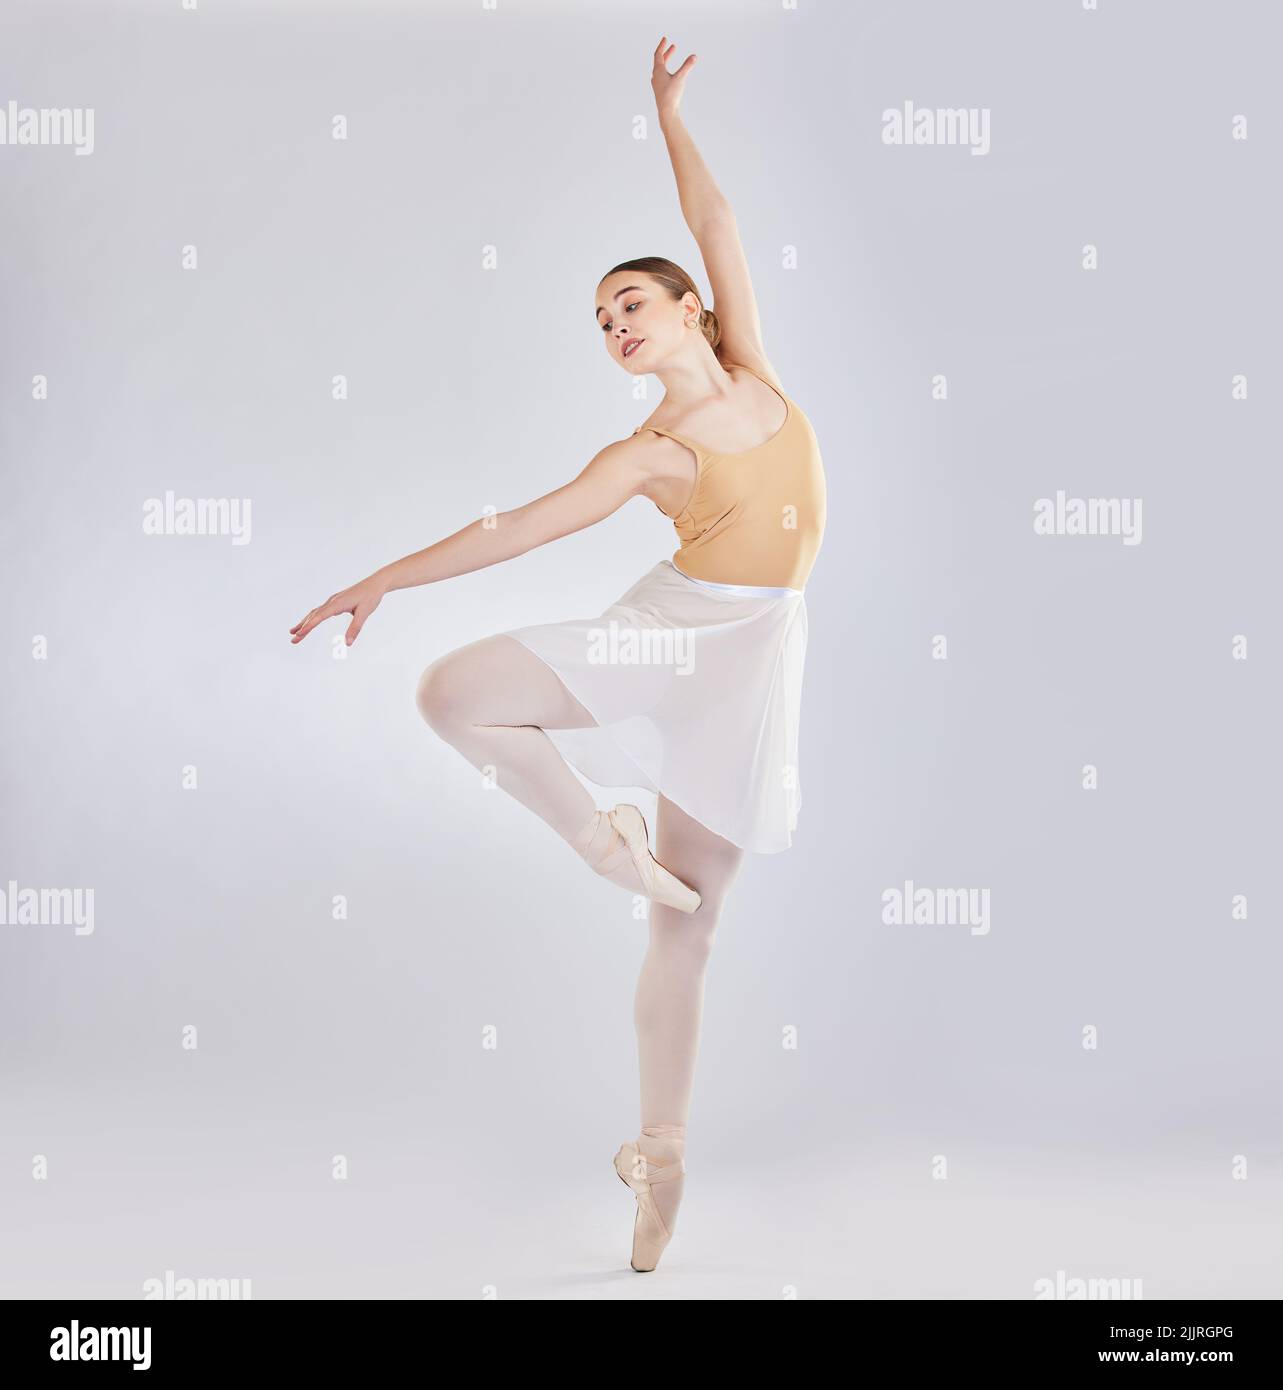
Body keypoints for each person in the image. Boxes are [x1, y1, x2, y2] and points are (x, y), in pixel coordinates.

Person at [289, 36, 826, 1273]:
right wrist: (379, 577)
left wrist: (666, 116)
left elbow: (717, 217)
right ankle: (601, 842)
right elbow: (512, 528)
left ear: (688, 304)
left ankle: (661, 1155)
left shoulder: (754, 368)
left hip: (752, 665)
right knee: (450, 691)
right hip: (671, 630)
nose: (611, 328)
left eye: (627, 305)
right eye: (597, 324)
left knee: (690, 927)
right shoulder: (648, 452)